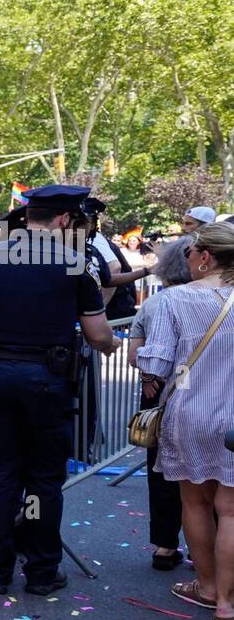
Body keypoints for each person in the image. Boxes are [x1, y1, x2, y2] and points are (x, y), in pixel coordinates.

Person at [0, 185, 120, 596]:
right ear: (66, 220)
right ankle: (40, 571)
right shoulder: (74, 264)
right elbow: (98, 332)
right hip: (47, 384)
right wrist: (112, 345)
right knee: (42, 480)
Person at [135, 222, 234, 620]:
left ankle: (208, 587)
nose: (188, 260)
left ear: (205, 256)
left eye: (191, 253)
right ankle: (228, 602)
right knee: (230, 509)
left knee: (195, 502)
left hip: (190, 411)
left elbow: (156, 365)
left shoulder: (174, 300)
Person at [128, 243, 195, 571]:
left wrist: (147, 377)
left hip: (160, 393)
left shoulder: (155, 303)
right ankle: (204, 549)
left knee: (162, 471)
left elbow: (135, 356)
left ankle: (164, 546)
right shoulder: (224, 300)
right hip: (211, 396)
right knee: (210, 475)